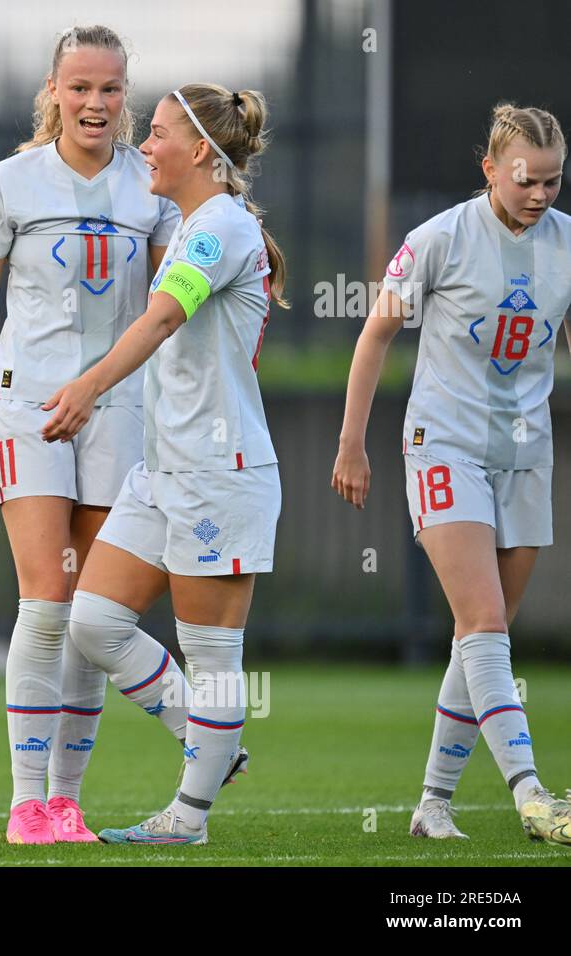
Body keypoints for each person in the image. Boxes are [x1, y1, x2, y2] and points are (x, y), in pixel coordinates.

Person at [0, 25, 196, 845]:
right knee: (46, 602)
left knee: (92, 610)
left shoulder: (150, 186)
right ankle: (24, 804)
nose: (95, 103)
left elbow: (165, 312)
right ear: (52, 90)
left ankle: (67, 801)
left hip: (120, 410)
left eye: (111, 89)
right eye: (79, 87)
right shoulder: (8, 183)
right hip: (27, 407)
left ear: (128, 97)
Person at [44, 83, 287, 846]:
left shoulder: (218, 229)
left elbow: (162, 318)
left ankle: (189, 815)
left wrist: (88, 385)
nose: (143, 144)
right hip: (164, 468)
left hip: (221, 473)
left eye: (158, 134)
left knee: (212, 655)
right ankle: (212, 740)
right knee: (93, 621)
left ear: (203, 154)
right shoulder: (194, 224)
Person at [332, 103, 571, 846]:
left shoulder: (567, 245)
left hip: (527, 453)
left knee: (481, 636)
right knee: (487, 623)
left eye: (554, 182)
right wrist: (351, 442)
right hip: (445, 445)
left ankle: (433, 803)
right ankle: (532, 793)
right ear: (491, 169)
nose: (540, 194)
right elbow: (375, 336)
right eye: (527, 180)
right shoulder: (439, 239)